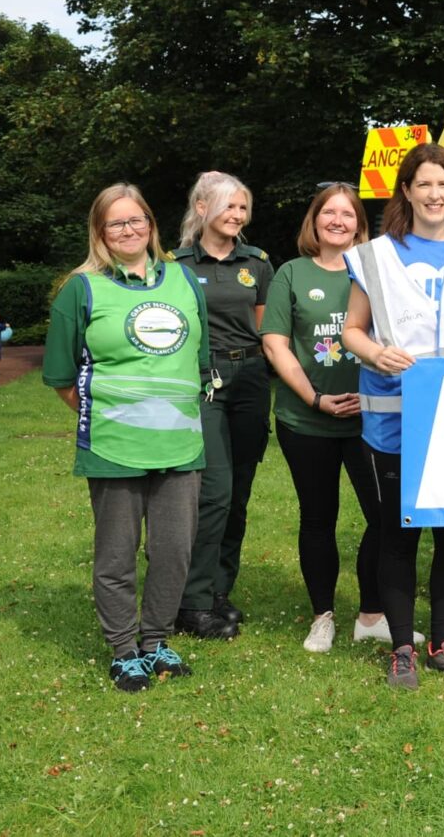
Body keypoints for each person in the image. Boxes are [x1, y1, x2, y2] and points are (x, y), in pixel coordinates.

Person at [342, 143, 444, 689]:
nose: (435, 194)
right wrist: (373, 353)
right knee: (398, 537)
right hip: (392, 423)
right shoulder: (375, 256)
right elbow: (352, 330)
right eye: (425, 184)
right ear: (406, 190)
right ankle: (402, 647)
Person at [42, 184, 209, 691]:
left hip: (182, 445)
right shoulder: (82, 288)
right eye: (116, 223)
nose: (129, 230)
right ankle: (123, 649)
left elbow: (199, 361)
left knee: (175, 551)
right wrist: (113, 414)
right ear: (100, 232)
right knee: (116, 555)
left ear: (151, 225)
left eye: (137, 220)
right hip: (114, 447)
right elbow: (61, 375)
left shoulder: (183, 279)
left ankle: (155, 640)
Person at [261, 183, 421, 653]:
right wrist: (314, 398)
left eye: (347, 214)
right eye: (328, 213)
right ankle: (322, 616)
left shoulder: (378, 270)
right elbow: (276, 343)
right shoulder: (291, 273)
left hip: (372, 419)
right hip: (306, 420)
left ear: (360, 223)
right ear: (314, 221)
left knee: (383, 517)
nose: (337, 221)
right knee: (318, 518)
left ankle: (372, 614)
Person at [170, 171, 273, 640]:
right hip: (203, 380)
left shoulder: (258, 263)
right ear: (201, 209)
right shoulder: (176, 265)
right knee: (214, 492)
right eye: (228, 206)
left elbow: (264, 329)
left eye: (242, 208)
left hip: (250, 378)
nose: (236, 215)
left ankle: (217, 592)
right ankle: (190, 601)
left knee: (240, 494)